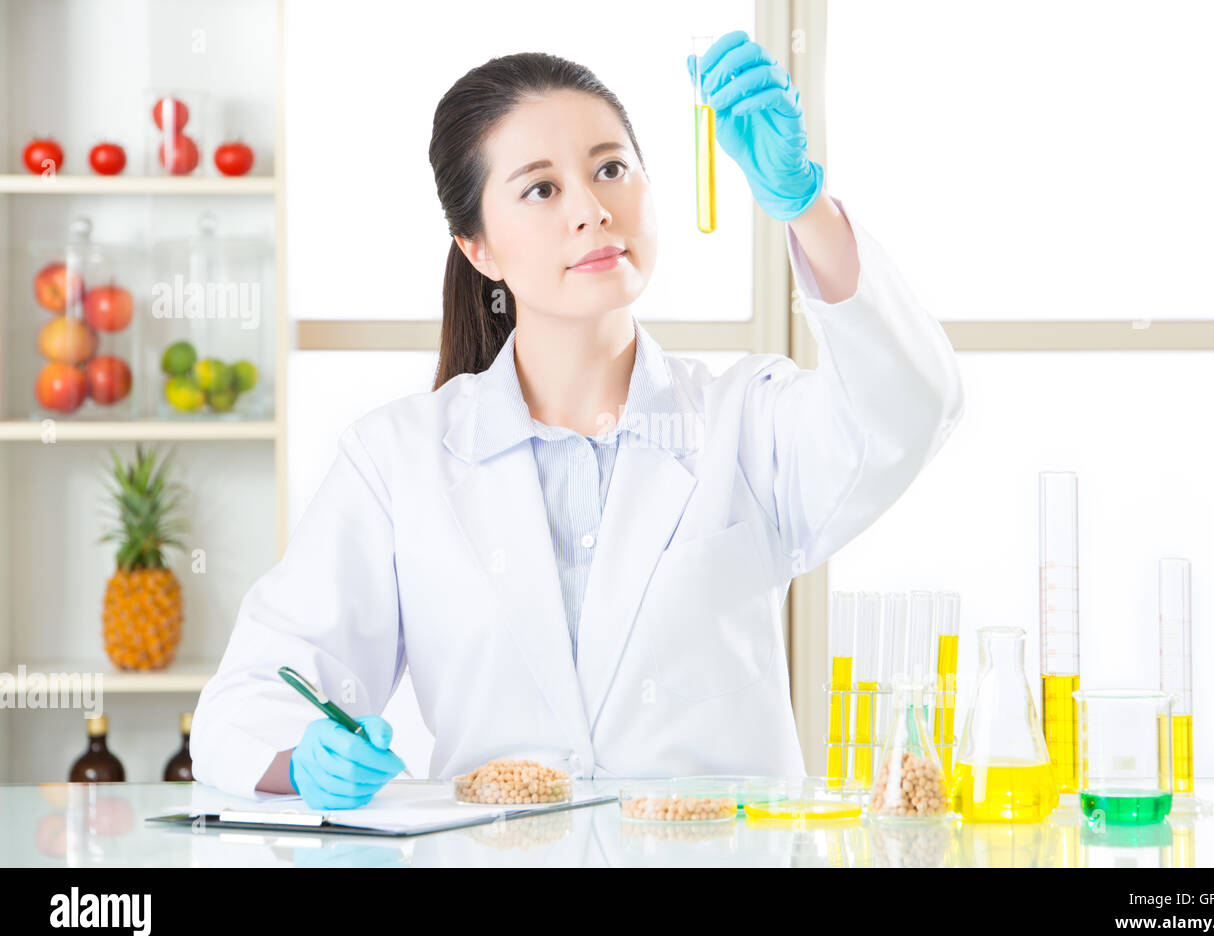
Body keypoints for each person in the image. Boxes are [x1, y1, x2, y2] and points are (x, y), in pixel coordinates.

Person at [190, 31, 965, 809]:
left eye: (610, 169)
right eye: (541, 189)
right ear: (477, 247)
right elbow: (248, 698)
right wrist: (298, 758)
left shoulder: (745, 419)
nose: (593, 211)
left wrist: (808, 209)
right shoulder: (398, 460)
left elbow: (907, 406)